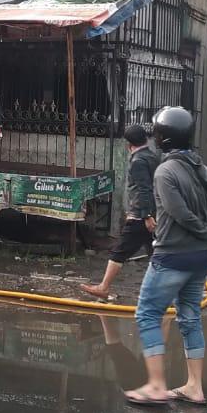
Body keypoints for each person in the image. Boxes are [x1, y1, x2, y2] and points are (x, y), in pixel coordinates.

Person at [124, 106, 207, 407]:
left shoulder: (164, 171)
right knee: (190, 317)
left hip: (172, 256)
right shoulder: (204, 169)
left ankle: (156, 385)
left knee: (147, 313)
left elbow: (176, 211)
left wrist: (202, 230)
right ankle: (194, 386)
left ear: (163, 138)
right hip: (199, 259)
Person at [80, 124, 159, 300]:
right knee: (157, 255)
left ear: (128, 144)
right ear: (145, 140)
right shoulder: (153, 157)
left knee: (120, 252)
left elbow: (144, 189)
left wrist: (145, 215)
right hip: (151, 214)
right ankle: (164, 294)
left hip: (141, 216)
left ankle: (104, 287)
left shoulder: (138, 161)